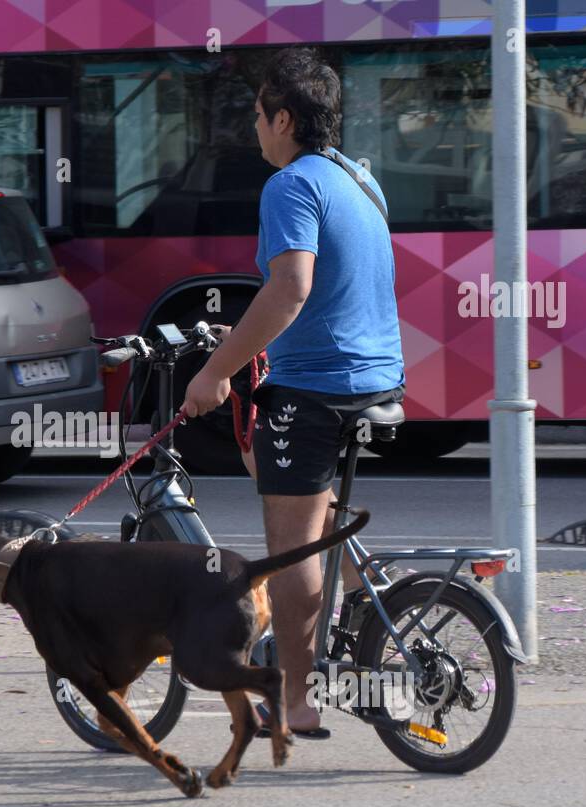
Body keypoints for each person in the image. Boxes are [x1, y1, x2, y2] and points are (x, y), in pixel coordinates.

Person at [181, 48, 405, 737]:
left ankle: (297, 699)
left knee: (291, 546)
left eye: (256, 114)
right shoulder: (362, 180)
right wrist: (246, 336)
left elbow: (291, 287)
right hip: (378, 378)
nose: (254, 127)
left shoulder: (289, 186)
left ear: (284, 118)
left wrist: (216, 371)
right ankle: (362, 611)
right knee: (303, 504)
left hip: (316, 391)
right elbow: (331, 289)